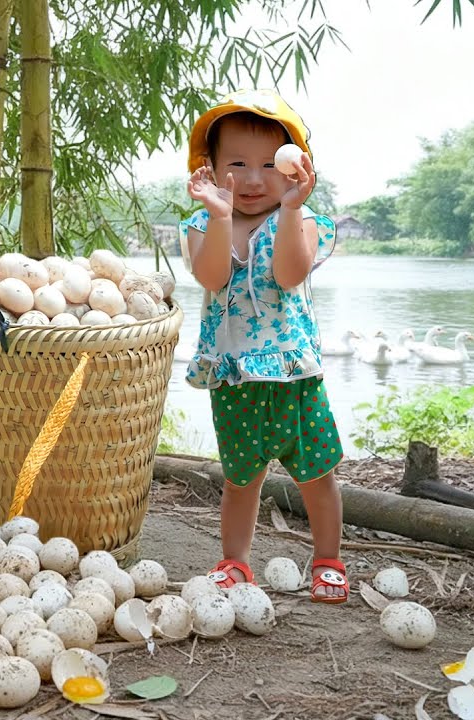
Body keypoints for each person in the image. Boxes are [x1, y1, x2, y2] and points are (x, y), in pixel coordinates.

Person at [180, 89, 347, 604]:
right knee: (240, 478)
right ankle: (235, 562)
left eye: (268, 165)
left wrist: (293, 208)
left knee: (317, 473)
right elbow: (210, 277)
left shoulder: (305, 220)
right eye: (236, 163)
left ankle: (327, 560)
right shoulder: (203, 224)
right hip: (235, 376)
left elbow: (288, 272)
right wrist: (219, 216)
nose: (253, 179)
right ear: (210, 168)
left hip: (295, 375)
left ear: (294, 169)